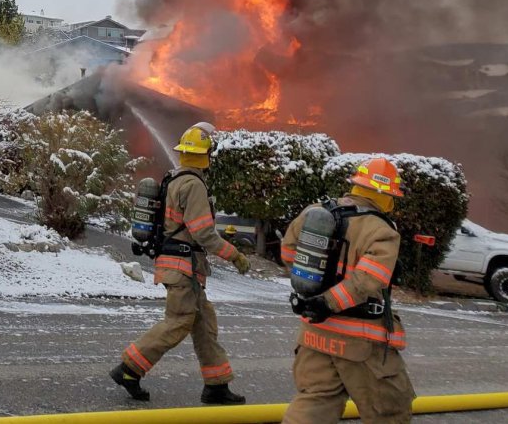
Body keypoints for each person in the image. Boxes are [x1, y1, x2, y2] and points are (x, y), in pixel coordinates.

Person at [110, 122, 250, 405]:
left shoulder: (174, 179)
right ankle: (129, 369)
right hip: (183, 266)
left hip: (180, 265)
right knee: (178, 322)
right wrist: (234, 255)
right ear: (206, 155)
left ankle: (217, 386)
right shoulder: (193, 185)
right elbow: (203, 233)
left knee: (204, 324)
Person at [281, 157, 416, 424]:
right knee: (390, 411)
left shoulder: (316, 212)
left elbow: (288, 253)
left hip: (314, 333)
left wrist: (318, 295)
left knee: (314, 403)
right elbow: (369, 280)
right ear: (386, 195)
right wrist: (329, 302)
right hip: (359, 342)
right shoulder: (382, 231)